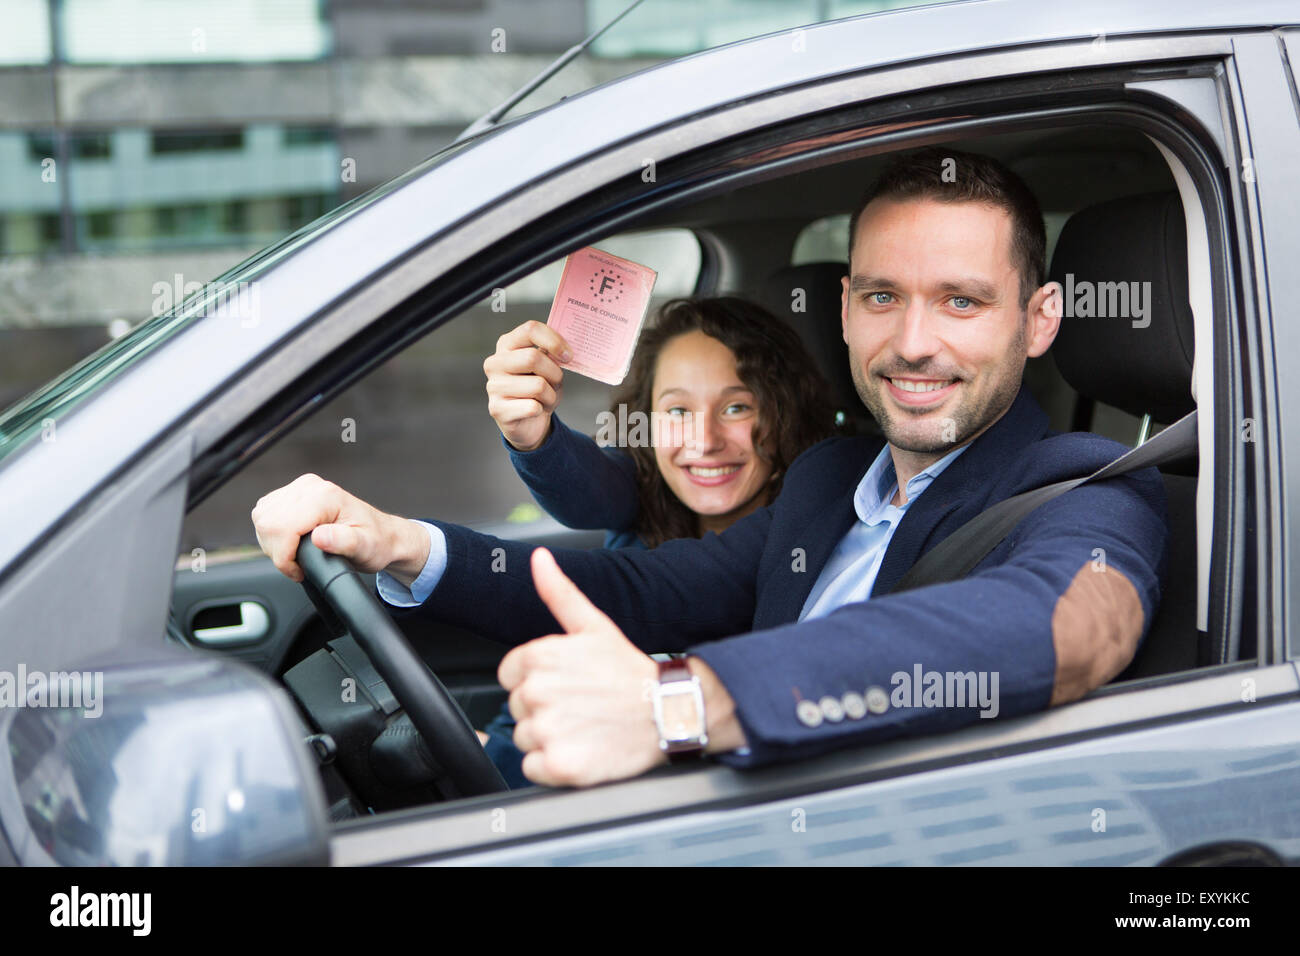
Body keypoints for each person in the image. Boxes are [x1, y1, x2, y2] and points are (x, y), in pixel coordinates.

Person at [251, 147, 1169, 789]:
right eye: (884, 296)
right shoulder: (826, 482)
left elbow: (1066, 629)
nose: (914, 342)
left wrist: (678, 707)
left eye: (962, 302)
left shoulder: (1090, 488)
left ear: (1040, 320)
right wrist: (402, 544)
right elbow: (644, 591)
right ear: (846, 311)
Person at [475, 297, 836, 784]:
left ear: (785, 416)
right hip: (525, 749)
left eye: (737, 407)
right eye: (678, 410)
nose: (704, 440)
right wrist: (534, 439)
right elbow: (586, 485)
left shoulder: (809, 530)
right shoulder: (643, 492)